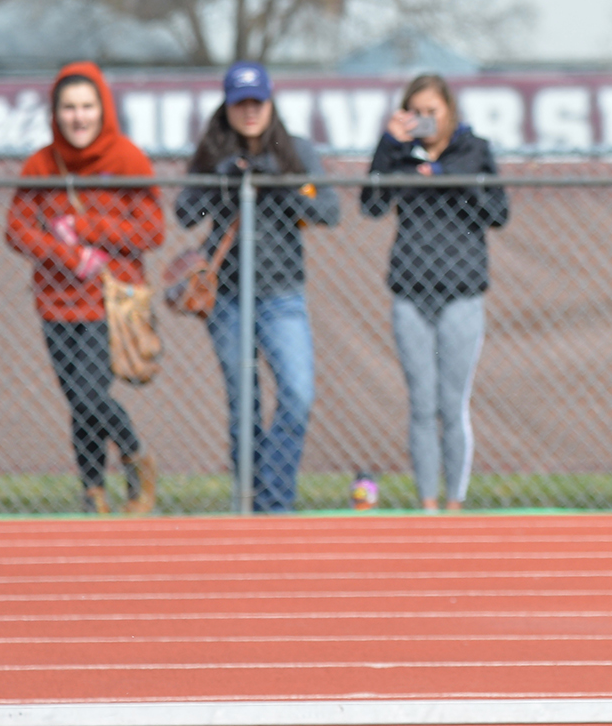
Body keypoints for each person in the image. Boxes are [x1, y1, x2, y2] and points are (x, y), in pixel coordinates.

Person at [175, 61, 340, 513]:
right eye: (240, 103)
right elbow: (185, 212)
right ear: (227, 106)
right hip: (227, 296)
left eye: (257, 102)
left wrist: (284, 185)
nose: (249, 111)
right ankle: (248, 500)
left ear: (270, 103)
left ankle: (273, 497)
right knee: (242, 402)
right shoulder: (212, 149)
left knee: (298, 393)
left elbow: (328, 209)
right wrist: (222, 181)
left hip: (282, 291)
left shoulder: (296, 149)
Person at [5, 62, 165, 514]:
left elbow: (152, 230)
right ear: (56, 112)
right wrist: (68, 254)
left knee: (90, 394)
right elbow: (16, 229)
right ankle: (93, 492)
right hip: (55, 302)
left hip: (108, 301)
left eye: (87, 107)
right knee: (78, 400)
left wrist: (88, 227)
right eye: (69, 108)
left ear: (103, 108)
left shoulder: (129, 159)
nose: (79, 117)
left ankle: (137, 458)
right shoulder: (41, 164)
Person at [363, 73, 510, 512]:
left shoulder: (475, 150)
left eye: (433, 112)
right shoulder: (400, 155)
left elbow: (498, 212)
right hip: (411, 290)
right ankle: (427, 504)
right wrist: (388, 147)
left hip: (461, 289)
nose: (425, 120)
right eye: (417, 112)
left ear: (450, 111)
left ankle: (454, 504)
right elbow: (370, 205)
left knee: (452, 401)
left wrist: (446, 174)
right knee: (422, 403)